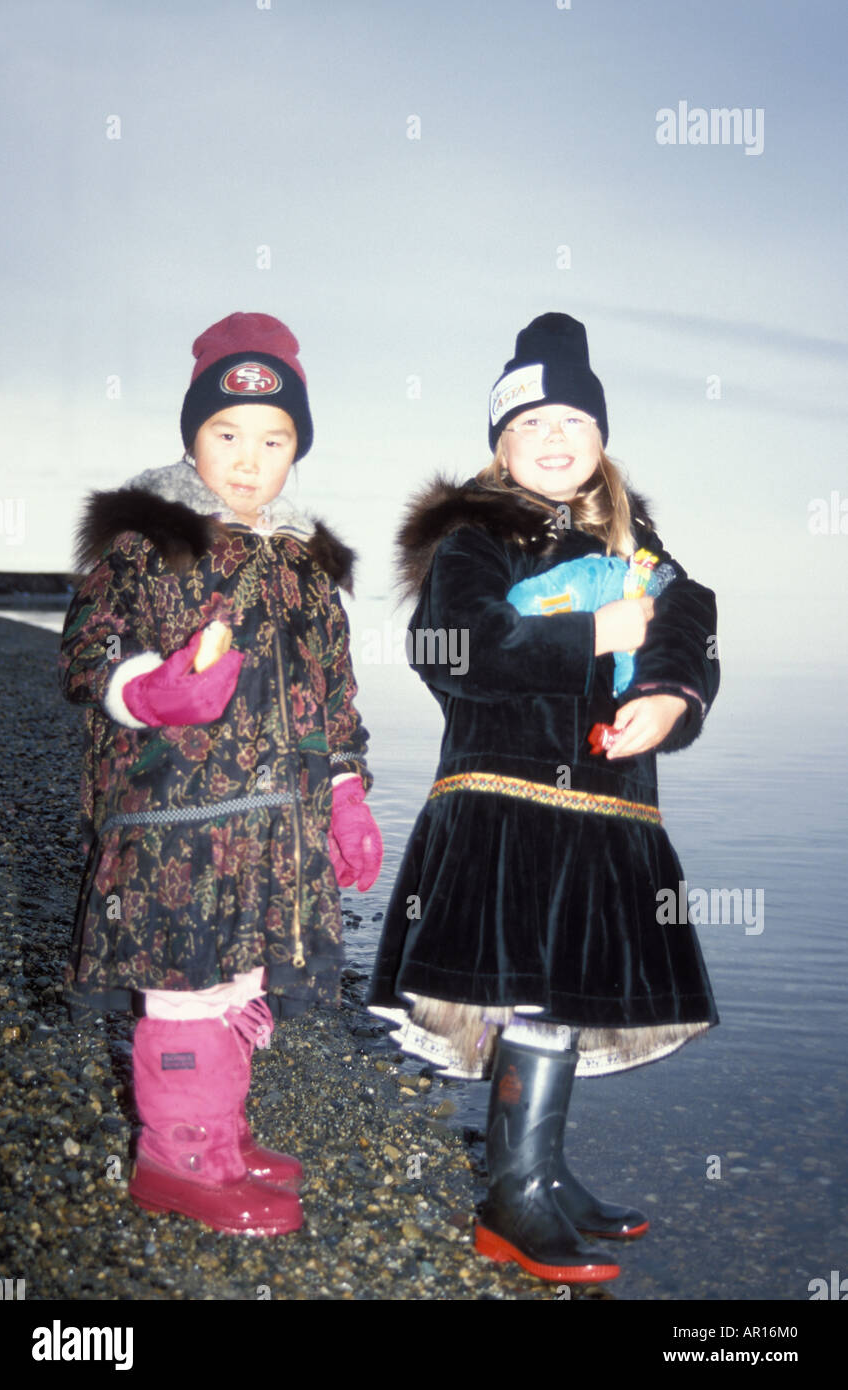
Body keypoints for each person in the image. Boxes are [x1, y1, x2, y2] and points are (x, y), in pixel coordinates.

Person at [368, 312, 719, 1284]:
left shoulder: (635, 542)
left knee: (559, 998)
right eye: (530, 423)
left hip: (607, 816)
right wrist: (588, 632)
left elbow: (685, 620)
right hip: (505, 805)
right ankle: (508, 1202)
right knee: (525, 990)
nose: (555, 437)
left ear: (601, 439)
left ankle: (542, 1172)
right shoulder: (472, 537)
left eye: (574, 419)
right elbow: (449, 649)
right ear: (499, 444)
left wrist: (664, 692)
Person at [60, 311, 382, 1237]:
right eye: (227, 435)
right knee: (183, 985)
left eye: (274, 440)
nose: (249, 459)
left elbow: (334, 693)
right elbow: (86, 653)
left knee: (240, 982)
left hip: (273, 829)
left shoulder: (308, 573)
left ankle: (222, 1136)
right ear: (193, 438)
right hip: (173, 833)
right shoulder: (149, 547)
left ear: (297, 453)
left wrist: (348, 793)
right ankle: (176, 1160)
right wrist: (145, 691)